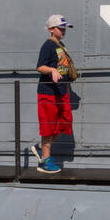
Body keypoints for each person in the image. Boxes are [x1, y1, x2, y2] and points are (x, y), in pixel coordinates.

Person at [32, 14, 78, 174]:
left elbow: (62, 68)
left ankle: (41, 147)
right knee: (49, 126)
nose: (64, 30)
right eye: (61, 28)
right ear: (51, 29)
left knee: (65, 122)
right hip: (48, 92)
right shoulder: (48, 45)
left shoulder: (60, 45)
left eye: (65, 28)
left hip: (61, 91)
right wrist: (52, 70)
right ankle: (44, 161)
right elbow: (40, 66)